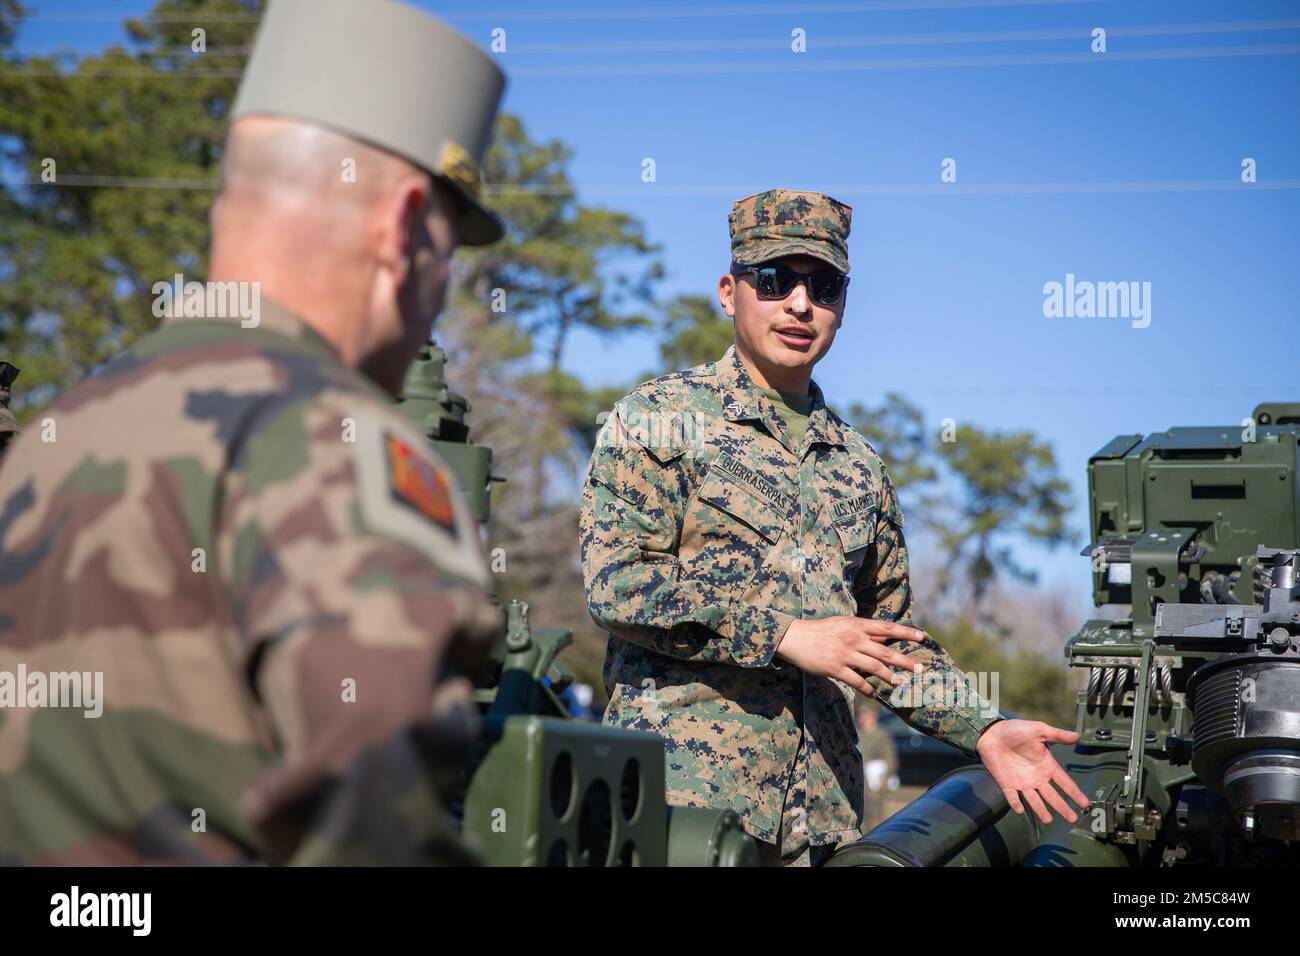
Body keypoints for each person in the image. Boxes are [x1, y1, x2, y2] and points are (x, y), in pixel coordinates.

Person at [0, 0, 507, 865]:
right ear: (401, 228)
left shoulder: (52, 436)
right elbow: (375, 828)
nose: (441, 291)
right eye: (447, 254)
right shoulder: (335, 447)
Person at [579, 188, 1089, 866]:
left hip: (821, 826)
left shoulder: (861, 467)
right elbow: (618, 584)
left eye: (823, 286)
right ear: (729, 292)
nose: (799, 304)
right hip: (682, 814)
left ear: (842, 306)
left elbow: (893, 651)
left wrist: (987, 728)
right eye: (775, 280)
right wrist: (785, 634)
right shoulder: (659, 417)